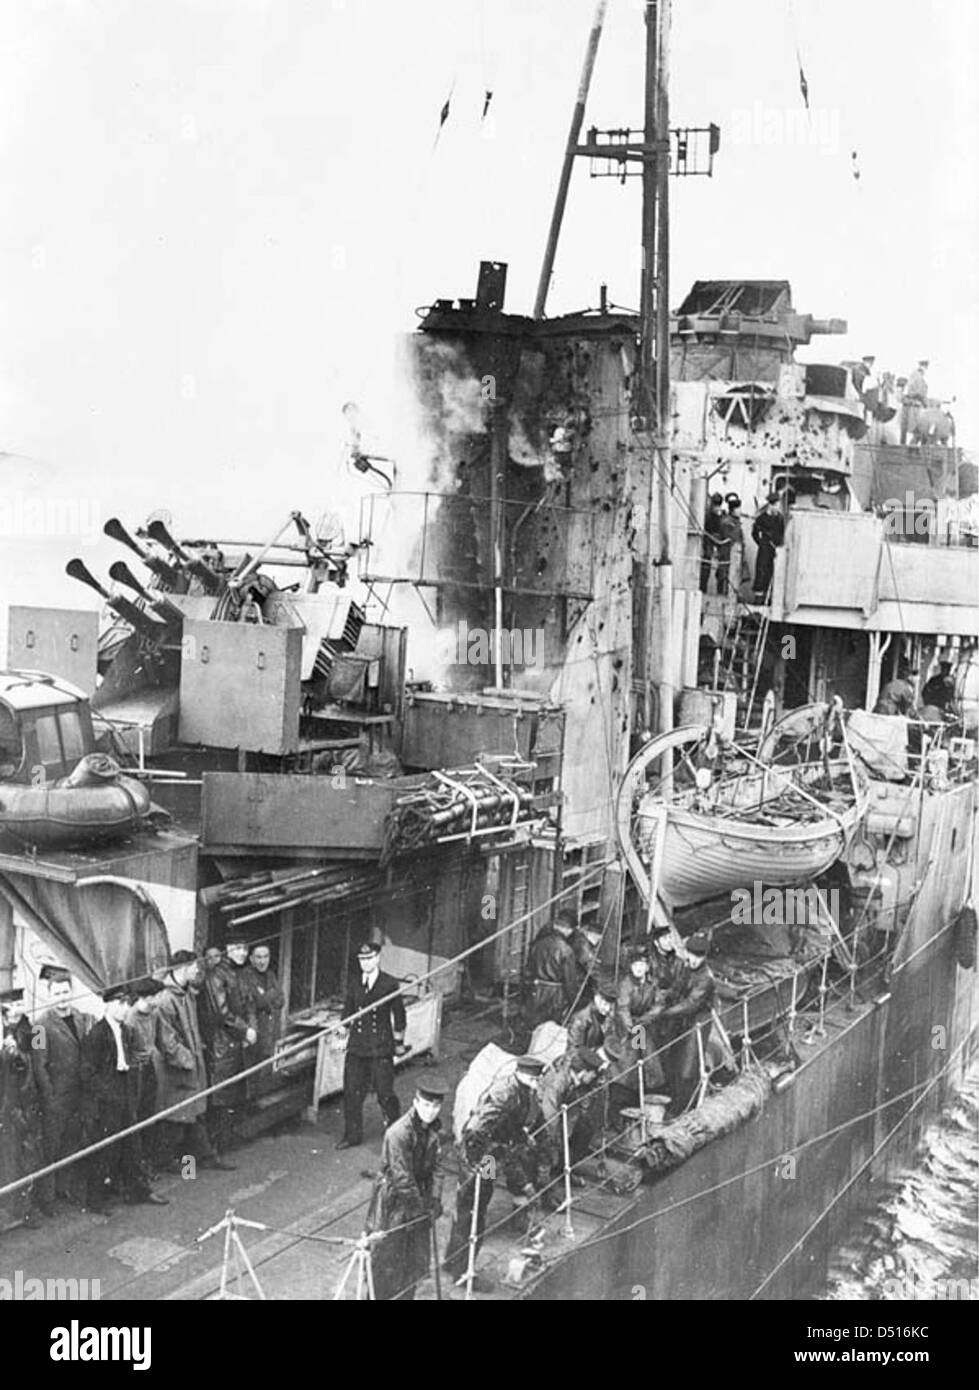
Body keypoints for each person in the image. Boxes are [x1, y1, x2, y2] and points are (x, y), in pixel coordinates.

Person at [444, 1054, 547, 1289]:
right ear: (521, 1074)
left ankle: (452, 1262)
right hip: (482, 1158)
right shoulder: (505, 1093)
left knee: (472, 1209)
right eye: (533, 1078)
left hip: (489, 1155)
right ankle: (462, 1273)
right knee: (473, 1214)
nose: (536, 1083)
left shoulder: (520, 1091)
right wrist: (479, 1164)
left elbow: (510, 1126)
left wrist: (521, 1138)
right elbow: (476, 1129)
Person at [80, 985, 169, 1211]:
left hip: (126, 1090)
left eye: (126, 1004)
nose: (124, 1008)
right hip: (106, 1097)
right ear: (108, 1004)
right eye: (119, 1004)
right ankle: (96, 1200)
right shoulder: (97, 1035)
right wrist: (107, 1092)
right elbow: (87, 1073)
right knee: (105, 1148)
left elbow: (135, 1057)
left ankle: (137, 1190)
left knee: (132, 1143)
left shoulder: (127, 1031)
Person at [367, 1076, 446, 1301]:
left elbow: (438, 1167)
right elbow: (403, 1179)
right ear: (415, 1102)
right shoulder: (398, 1133)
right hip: (394, 1205)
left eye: (436, 1107)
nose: (431, 1112)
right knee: (386, 1264)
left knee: (412, 1266)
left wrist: (435, 1199)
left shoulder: (433, 1130)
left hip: (418, 1201)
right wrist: (420, 1211)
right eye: (427, 1105)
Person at [155, 950, 234, 1171]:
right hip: (178, 1069)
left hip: (192, 1065)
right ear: (182, 968)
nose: (198, 970)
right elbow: (168, 1042)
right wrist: (189, 1060)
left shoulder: (186, 993)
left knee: (193, 1114)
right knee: (179, 1119)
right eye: (194, 967)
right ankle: (174, 1164)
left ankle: (200, 1159)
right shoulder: (165, 1000)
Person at [336, 941, 407, 1150]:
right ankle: (352, 1135)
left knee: (385, 1093)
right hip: (357, 1047)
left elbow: (399, 1015)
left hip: (380, 1047)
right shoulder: (354, 983)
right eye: (362, 959)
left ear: (377, 958)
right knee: (351, 1093)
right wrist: (340, 1037)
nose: (365, 963)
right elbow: (347, 1013)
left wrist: (399, 1043)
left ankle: (396, 1135)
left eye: (369, 959)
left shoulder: (389, 983)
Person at [32, 965, 91, 1207]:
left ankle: (63, 1189)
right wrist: (50, 1098)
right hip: (56, 1098)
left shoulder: (79, 1017)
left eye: (65, 992)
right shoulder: (40, 1025)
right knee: (51, 1147)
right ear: (49, 996)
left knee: (71, 1142)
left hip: (78, 1094)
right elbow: (39, 1066)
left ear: (72, 992)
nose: (62, 998)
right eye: (57, 994)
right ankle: (45, 1199)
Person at [648, 927, 715, 1114]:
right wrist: (658, 1001)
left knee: (688, 1066)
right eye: (691, 955)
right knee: (673, 1060)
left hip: (698, 1021)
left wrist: (664, 1013)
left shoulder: (705, 979)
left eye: (698, 957)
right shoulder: (686, 969)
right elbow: (675, 988)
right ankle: (673, 1101)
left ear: (704, 957)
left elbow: (691, 1004)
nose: (693, 960)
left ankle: (684, 1108)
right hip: (682, 1019)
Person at [197, 939, 255, 1153]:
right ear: (227, 950)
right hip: (220, 1044)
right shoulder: (216, 975)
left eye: (245, 948)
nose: (242, 952)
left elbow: (247, 1004)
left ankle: (222, 1146)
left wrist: (247, 1029)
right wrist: (244, 1030)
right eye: (237, 948)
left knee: (228, 1095)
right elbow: (221, 1013)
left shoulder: (234, 973)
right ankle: (212, 1152)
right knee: (219, 1097)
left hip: (231, 1042)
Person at [0, 987, 45, 1229]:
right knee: (8, 1159)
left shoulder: (33, 1030)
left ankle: (27, 1208)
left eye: (20, 1004)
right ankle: (9, 1208)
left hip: (26, 1103)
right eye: (11, 1006)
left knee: (28, 1156)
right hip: (6, 1106)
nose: (16, 1010)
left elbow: (38, 1062)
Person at [535, 1047, 605, 1195]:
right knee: (548, 1141)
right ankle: (543, 1185)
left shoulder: (578, 1079)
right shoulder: (558, 1082)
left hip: (563, 1111)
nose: (594, 1076)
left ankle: (565, 1168)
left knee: (585, 1129)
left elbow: (581, 1102)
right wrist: (557, 1138)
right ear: (583, 1072)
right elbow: (549, 1111)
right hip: (540, 1116)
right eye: (593, 1073)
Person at [610, 943, 667, 1125]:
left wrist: (645, 1019)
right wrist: (632, 1027)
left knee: (649, 1063)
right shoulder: (625, 985)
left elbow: (659, 1005)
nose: (639, 968)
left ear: (647, 967)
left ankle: (644, 1102)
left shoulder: (652, 983)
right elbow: (623, 1008)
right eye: (635, 965)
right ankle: (621, 1111)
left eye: (642, 965)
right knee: (627, 1065)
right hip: (626, 1029)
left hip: (644, 1026)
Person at [126, 977, 166, 1172]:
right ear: (147, 997)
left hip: (150, 1068)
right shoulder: (130, 1019)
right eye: (157, 996)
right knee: (137, 1117)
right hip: (135, 1073)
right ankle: (139, 1164)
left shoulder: (154, 1014)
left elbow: (160, 1039)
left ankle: (150, 1161)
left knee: (150, 1113)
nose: (159, 1000)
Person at [523, 915, 579, 1030]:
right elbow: (570, 981)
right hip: (555, 995)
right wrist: (574, 1002)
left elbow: (528, 971)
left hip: (537, 990)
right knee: (552, 1027)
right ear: (568, 930)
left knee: (536, 1026)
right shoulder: (566, 950)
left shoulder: (538, 945)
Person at [244, 944, 286, 1093]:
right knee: (252, 1068)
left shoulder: (270, 975)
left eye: (266, 957)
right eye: (258, 957)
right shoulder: (246, 976)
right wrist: (271, 994)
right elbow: (255, 1003)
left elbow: (281, 1001)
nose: (262, 961)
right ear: (251, 959)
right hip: (254, 1027)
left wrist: (265, 996)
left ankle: (261, 1095)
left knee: (266, 1065)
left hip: (269, 1028)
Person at [751, 494, 786, 601]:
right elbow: (754, 533)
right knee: (761, 571)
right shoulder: (761, 519)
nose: (777, 508)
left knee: (771, 572)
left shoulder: (780, 519)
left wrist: (778, 546)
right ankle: (759, 598)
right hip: (764, 549)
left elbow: (781, 534)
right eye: (776, 506)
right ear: (770, 505)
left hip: (775, 549)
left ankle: (769, 597)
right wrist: (761, 543)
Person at [715, 494, 744, 596]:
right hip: (727, 553)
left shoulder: (736, 522)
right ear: (733, 510)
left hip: (736, 554)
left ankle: (731, 593)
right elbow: (728, 538)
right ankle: (722, 594)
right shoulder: (727, 523)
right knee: (724, 574)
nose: (740, 511)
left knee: (735, 574)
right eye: (738, 509)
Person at [700, 492, 725, 594]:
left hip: (717, 542)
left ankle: (720, 590)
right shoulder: (708, 516)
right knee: (706, 566)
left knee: (720, 568)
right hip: (709, 542)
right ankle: (703, 588)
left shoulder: (720, 516)